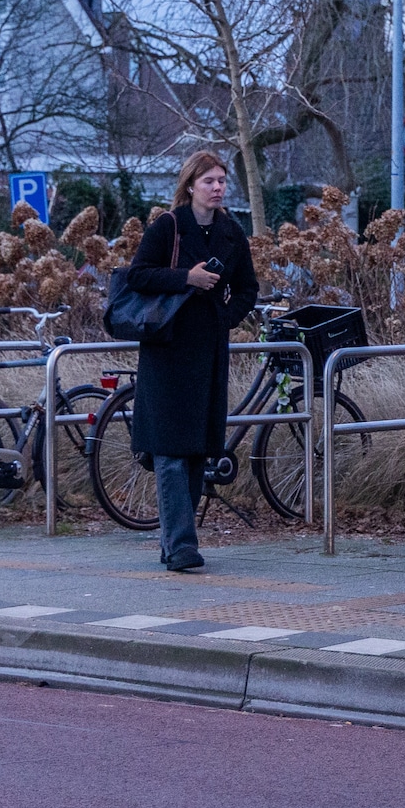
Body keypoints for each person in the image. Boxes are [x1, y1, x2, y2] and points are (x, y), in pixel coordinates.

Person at [124, 151, 260, 573]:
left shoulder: (232, 232)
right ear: (190, 186)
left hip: (207, 351)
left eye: (222, 180)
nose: (218, 187)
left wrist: (224, 318)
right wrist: (188, 277)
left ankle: (175, 546)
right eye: (209, 181)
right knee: (169, 450)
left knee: (198, 449)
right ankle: (182, 544)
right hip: (166, 350)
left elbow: (247, 289)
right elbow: (138, 275)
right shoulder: (168, 227)